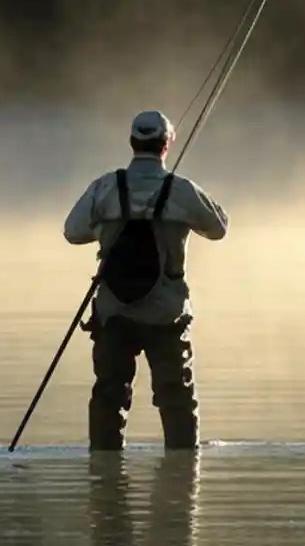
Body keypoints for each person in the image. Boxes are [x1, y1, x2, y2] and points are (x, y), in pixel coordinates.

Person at [64, 110, 228, 450]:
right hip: (166, 314)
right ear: (166, 144)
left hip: (113, 311)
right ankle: (182, 477)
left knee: (109, 395)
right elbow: (218, 228)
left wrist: (109, 225)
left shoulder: (105, 186)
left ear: (132, 142)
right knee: (177, 399)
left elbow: (72, 232)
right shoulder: (181, 190)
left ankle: (105, 482)